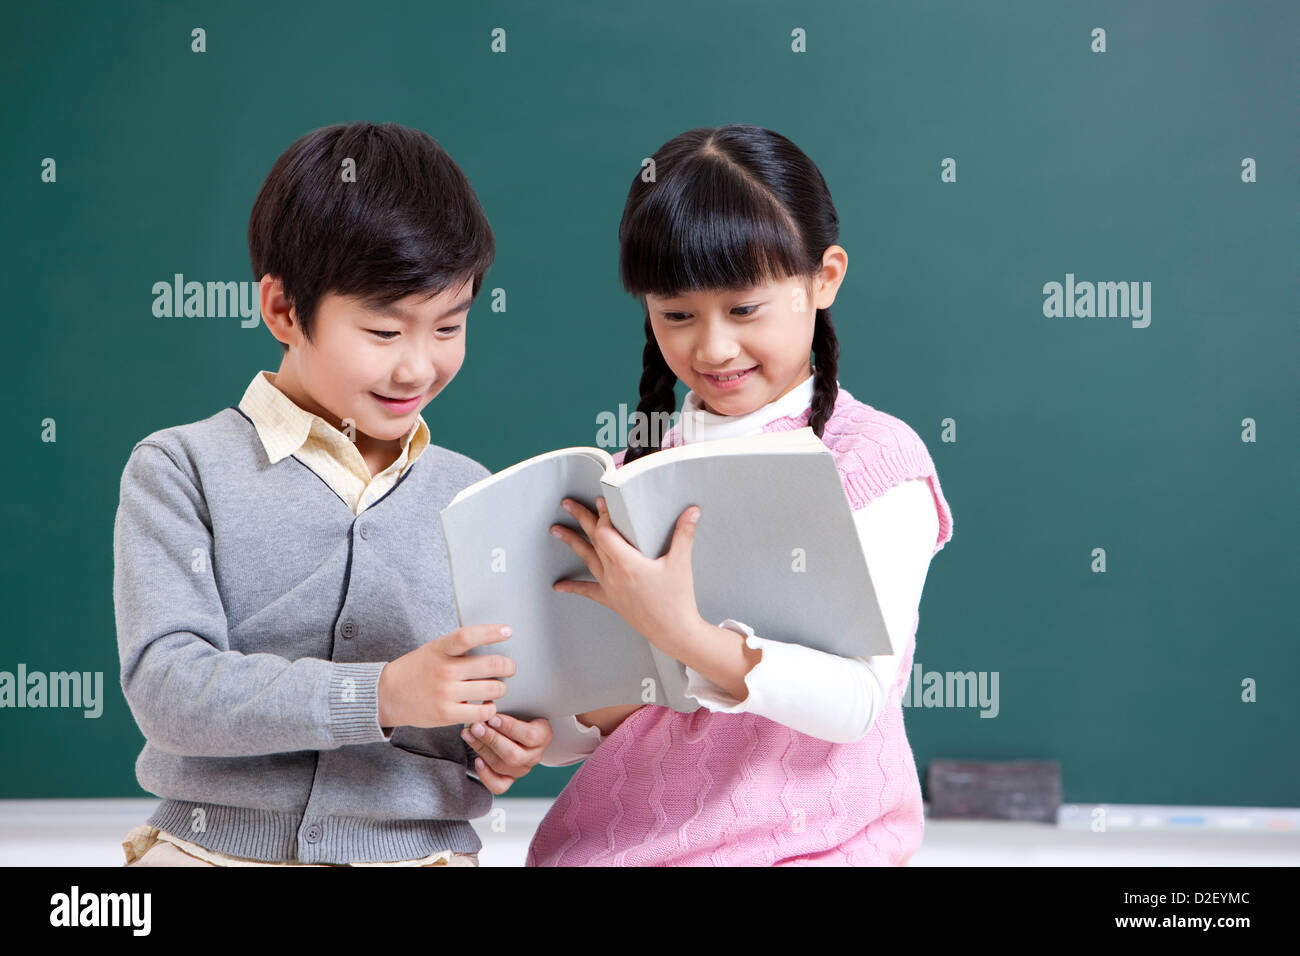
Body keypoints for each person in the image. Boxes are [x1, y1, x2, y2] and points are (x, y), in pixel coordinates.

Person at [114, 122, 552, 868]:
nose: (418, 366)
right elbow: (167, 688)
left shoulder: (474, 495)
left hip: (420, 855)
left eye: (449, 325)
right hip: (213, 849)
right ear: (284, 310)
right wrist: (379, 694)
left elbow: (473, 708)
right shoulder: (180, 468)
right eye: (384, 331)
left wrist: (504, 743)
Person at [527, 124, 955, 866]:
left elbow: (855, 703)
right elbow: (614, 710)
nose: (713, 348)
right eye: (677, 315)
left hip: (812, 846)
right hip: (620, 843)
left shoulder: (872, 460)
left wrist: (681, 632)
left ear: (824, 277)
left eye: (745, 309)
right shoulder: (640, 466)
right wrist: (544, 732)